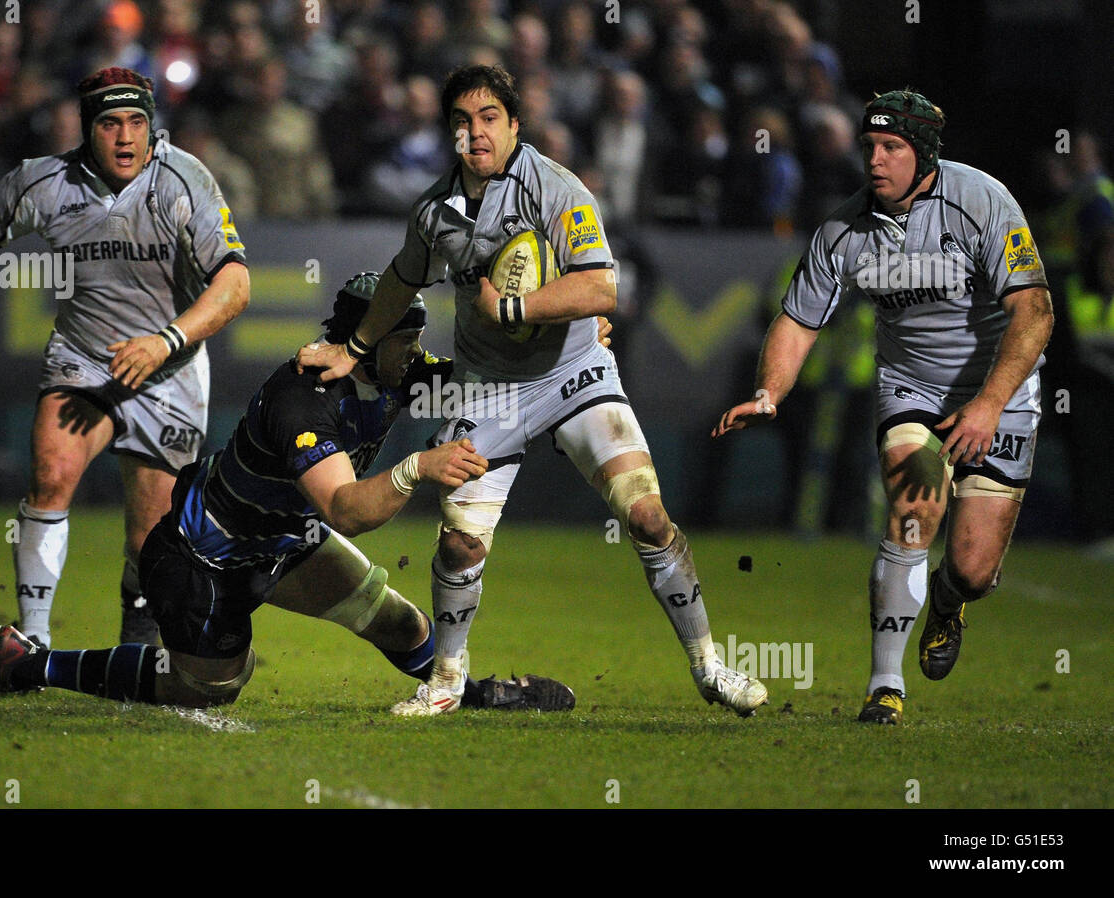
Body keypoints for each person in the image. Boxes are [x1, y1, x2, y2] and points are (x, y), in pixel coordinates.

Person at [297, 65, 768, 718]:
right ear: (449, 133)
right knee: (459, 543)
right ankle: (446, 683)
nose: (476, 132)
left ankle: (711, 666)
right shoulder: (436, 212)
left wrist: (516, 310)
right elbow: (403, 282)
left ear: (515, 125)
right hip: (490, 392)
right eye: (462, 121)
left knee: (647, 516)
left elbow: (603, 287)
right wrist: (351, 350)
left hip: (575, 377)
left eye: (489, 117)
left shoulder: (556, 188)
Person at [0, 274, 577, 713]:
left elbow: (490, 377)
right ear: (370, 336)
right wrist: (418, 467)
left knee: (401, 623)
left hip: (282, 543)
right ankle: (24, 664)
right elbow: (345, 511)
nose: (417, 351)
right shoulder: (302, 398)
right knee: (210, 688)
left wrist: (570, 345)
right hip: (205, 557)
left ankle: (470, 695)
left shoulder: (395, 369)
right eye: (406, 336)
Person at [712, 89, 1054, 724]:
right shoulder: (843, 228)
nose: (875, 160)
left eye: (891, 148)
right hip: (912, 390)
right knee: (912, 510)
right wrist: (770, 392)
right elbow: (797, 318)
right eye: (869, 146)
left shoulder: (983, 201)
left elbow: (1034, 312)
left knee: (973, 570)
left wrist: (987, 404)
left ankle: (947, 605)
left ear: (923, 154)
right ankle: (885, 687)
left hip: (1000, 394)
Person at [0, 67, 251, 647]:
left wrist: (165, 341)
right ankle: (31, 642)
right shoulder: (44, 183)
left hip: (170, 368)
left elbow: (235, 285)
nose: (126, 138)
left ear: (153, 128)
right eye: (110, 124)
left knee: (149, 537)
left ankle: (138, 638)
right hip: (86, 356)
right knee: (52, 474)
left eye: (137, 123)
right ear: (87, 129)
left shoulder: (184, 179)